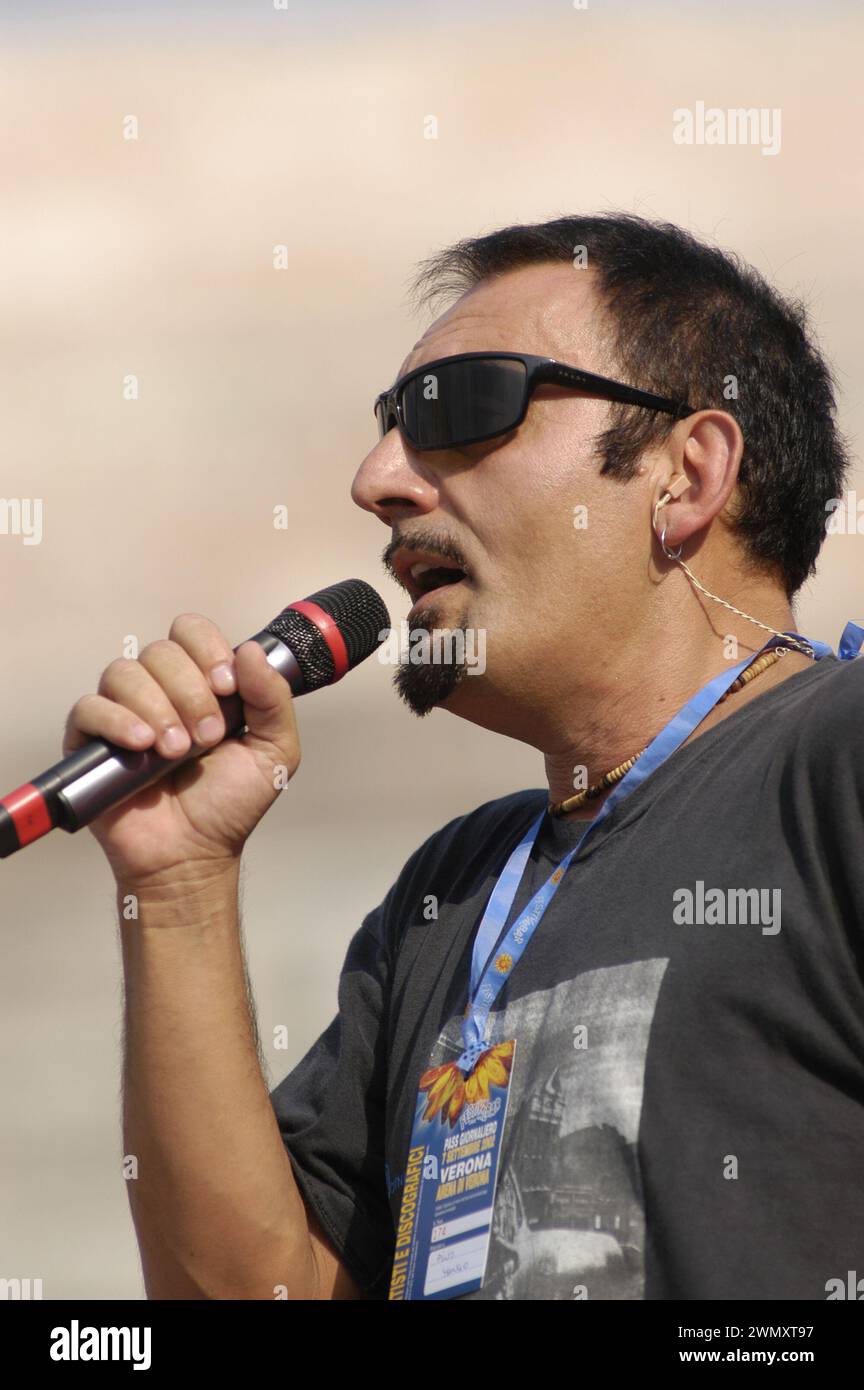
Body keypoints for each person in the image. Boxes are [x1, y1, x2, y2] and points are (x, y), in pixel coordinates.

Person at [65, 213, 863, 1301]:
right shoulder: (450, 893)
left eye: (457, 407)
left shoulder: (834, 762)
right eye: (392, 423)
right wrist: (176, 888)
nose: (378, 478)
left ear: (687, 474)